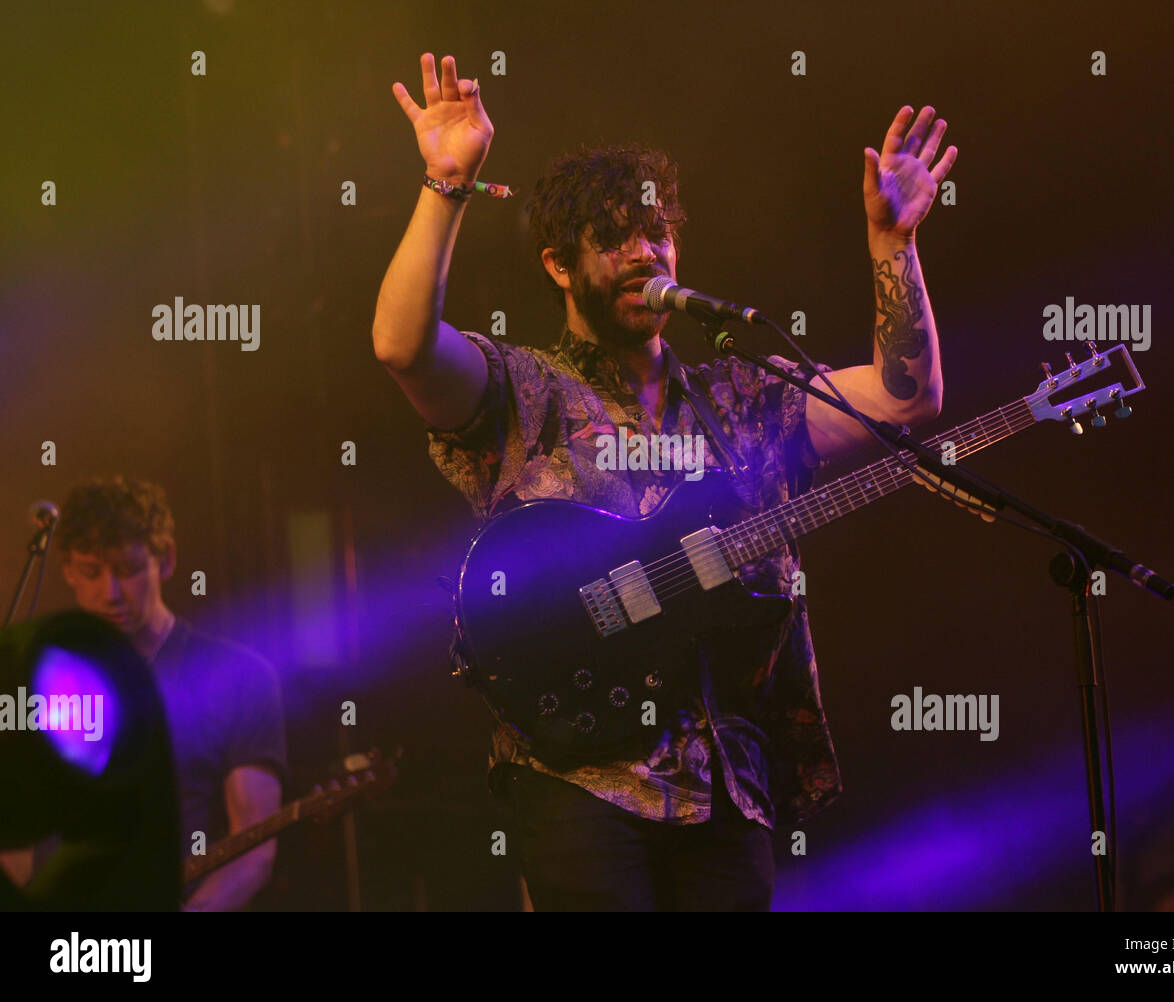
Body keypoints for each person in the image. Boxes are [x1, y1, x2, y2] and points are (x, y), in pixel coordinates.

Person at [374, 52, 956, 910]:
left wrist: (893, 245)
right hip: (582, 774)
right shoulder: (524, 389)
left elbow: (907, 396)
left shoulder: (744, 398)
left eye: (657, 232)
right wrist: (444, 186)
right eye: (613, 238)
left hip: (727, 777)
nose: (644, 252)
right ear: (559, 265)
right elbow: (402, 346)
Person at [3, 476, 287, 911]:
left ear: (166, 558)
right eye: (91, 572)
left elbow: (254, 846)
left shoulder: (237, 677)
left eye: (128, 570)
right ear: (67, 570)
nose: (109, 593)